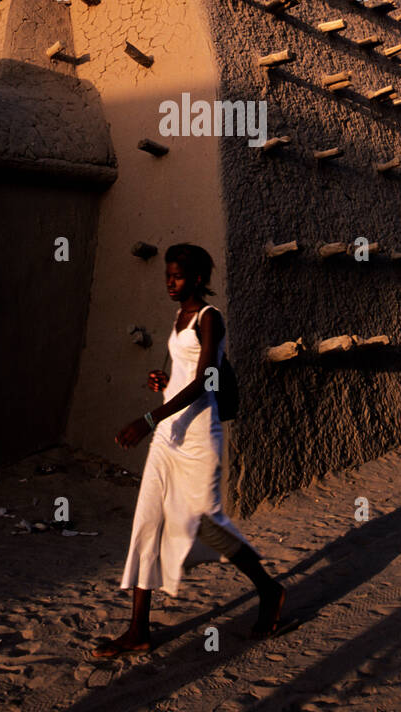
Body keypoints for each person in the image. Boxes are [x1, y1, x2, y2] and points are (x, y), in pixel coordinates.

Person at [92, 243, 285, 658]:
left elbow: (207, 380)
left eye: (176, 276)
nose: (169, 283)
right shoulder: (178, 317)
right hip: (168, 435)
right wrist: (163, 380)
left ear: (197, 278)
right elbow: (183, 377)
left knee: (205, 525)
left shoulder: (209, 318)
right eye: (166, 276)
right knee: (147, 523)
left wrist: (147, 420)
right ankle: (138, 630)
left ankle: (270, 591)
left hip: (197, 436)